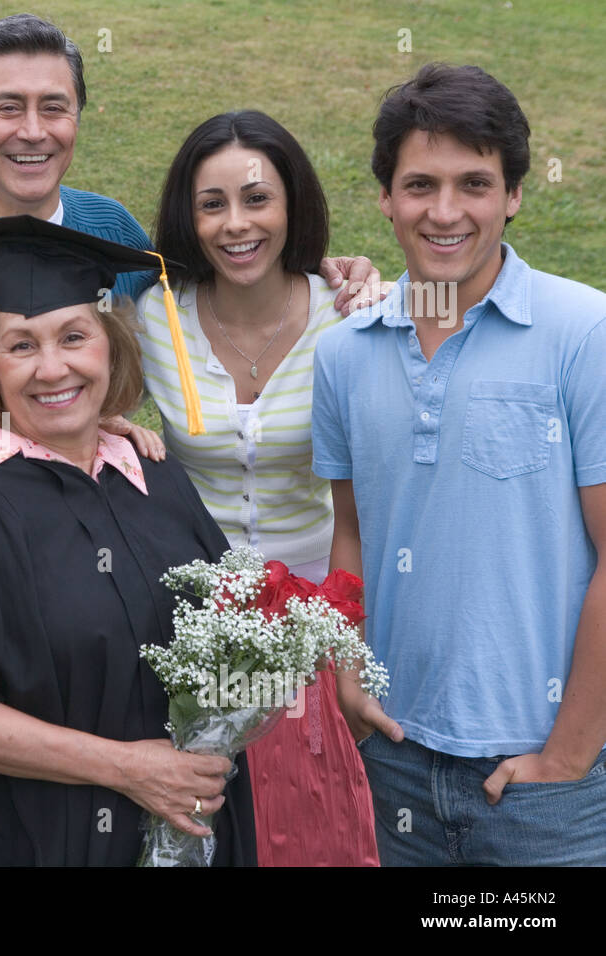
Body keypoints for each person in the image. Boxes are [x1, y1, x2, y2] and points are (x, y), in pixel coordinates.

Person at [0, 216, 257, 866]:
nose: (52, 368)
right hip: (36, 837)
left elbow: (231, 634)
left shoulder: (154, 476)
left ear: (110, 347)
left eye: (74, 337)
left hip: (186, 830)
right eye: (21, 346)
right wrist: (126, 768)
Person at [313, 63, 606, 865]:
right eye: (419, 185)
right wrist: (348, 671)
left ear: (512, 193)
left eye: (474, 183)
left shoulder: (585, 333)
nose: (445, 212)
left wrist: (569, 756)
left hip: (550, 783)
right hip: (398, 758)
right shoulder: (341, 355)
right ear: (384, 197)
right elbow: (354, 534)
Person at [0, 13, 384, 422]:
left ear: (77, 118)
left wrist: (314, 265)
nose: (33, 131)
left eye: (54, 107)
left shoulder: (112, 228)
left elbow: (209, 276)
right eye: (8, 108)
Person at [136, 111, 377, 866]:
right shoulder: (152, 317)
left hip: (321, 611)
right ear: (188, 215)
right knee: (201, 822)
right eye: (213, 204)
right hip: (194, 617)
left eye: (257, 199)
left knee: (310, 827)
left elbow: (372, 499)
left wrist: (349, 648)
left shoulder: (353, 318)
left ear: (292, 205)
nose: (235, 224)